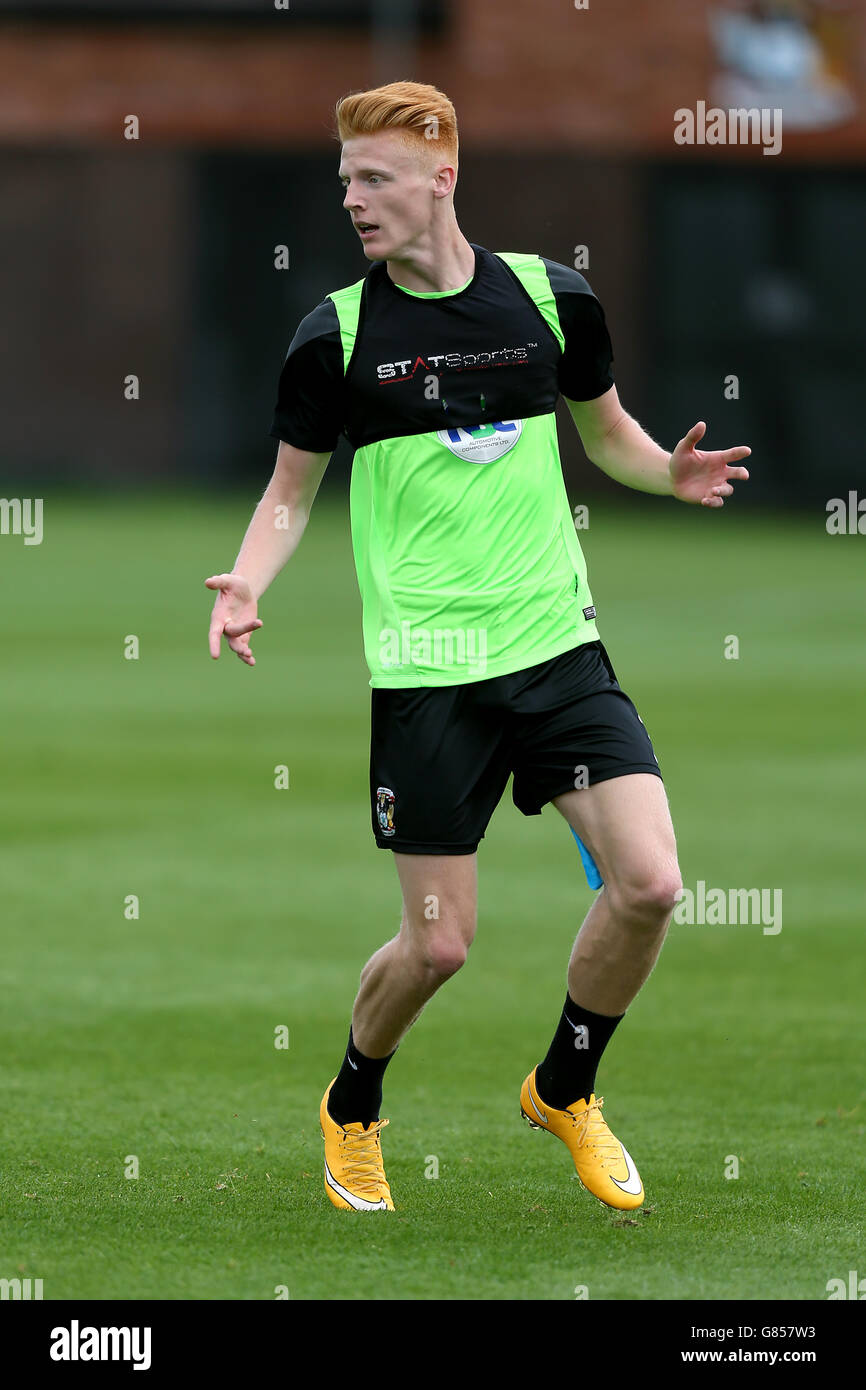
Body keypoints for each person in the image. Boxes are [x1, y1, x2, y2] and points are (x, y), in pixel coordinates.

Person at [205, 80, 750, 1215]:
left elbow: (608, 436)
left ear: (440, 177)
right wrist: (247, 582)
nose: (353, 199)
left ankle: (565, 1087)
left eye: (375, 179)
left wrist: (668, 472)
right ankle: (351, 1107)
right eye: (345, 180)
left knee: (649, 883)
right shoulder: (336, 335)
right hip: (427, 677)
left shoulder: (550, 299)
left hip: (556, 649)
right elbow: (289, 493)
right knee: (438, 949)